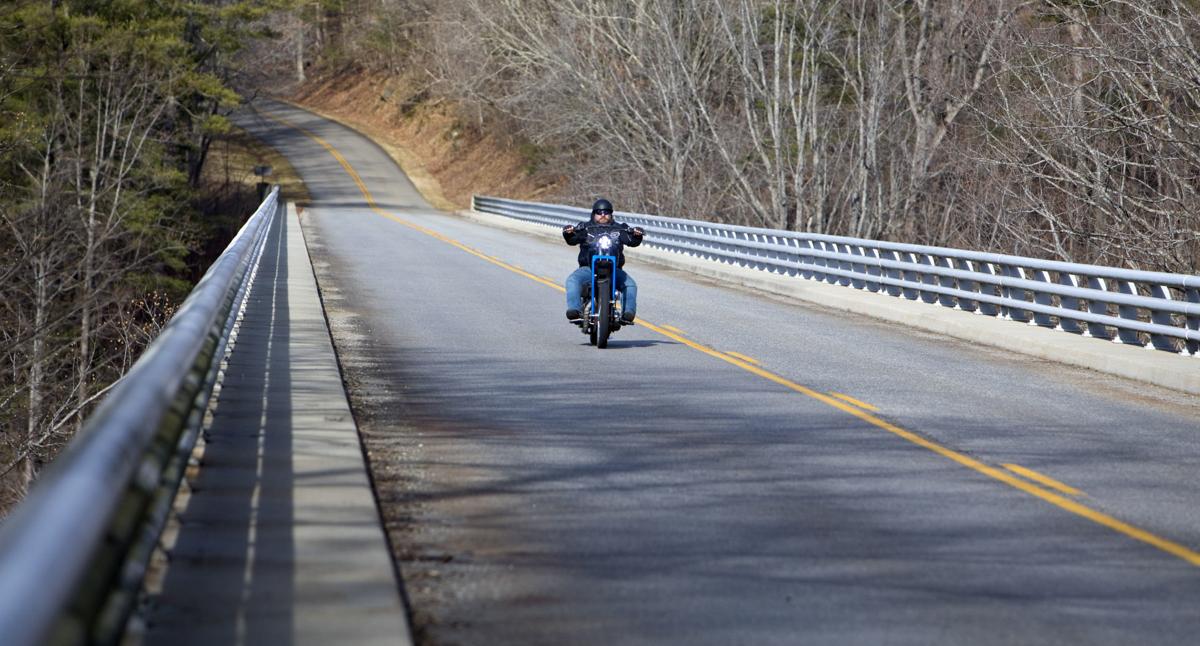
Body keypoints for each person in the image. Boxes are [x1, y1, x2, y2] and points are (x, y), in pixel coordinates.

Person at [563, 198, 644, 324]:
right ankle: (575, 310)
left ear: (611, 214)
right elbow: (572, 239)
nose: (603, 215)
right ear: (593, 214)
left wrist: (636, 234)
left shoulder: (619, 228)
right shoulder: (586, 228)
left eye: (606, 212)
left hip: (614, 270)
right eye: (599, 212)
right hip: (588, 268)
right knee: (572, 280)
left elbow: (631, 240)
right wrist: (569, 232)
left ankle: (628, 313)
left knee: (630, 284)